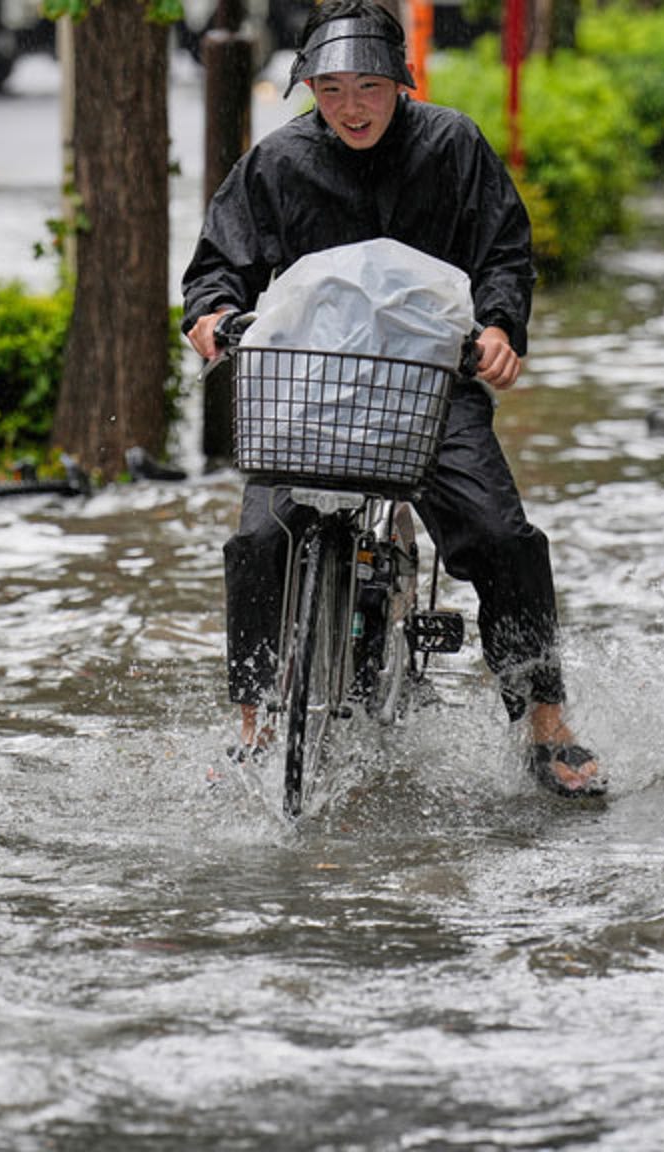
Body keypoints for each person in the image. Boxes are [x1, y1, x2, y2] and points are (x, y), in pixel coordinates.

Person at [181, 0, 605, 798]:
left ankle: (547, 719)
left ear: (400, 85)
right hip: (307, 395)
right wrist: (211, 317)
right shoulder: (277, 162)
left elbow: (503, 252)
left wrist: (502, 329)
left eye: (369, 86)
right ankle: (256, 725)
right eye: (331, 88)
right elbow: (217, 268)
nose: (351, 106)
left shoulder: (453, 146)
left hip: (427, 390)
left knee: (501, 535)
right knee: (258, 543)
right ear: (308, 88)